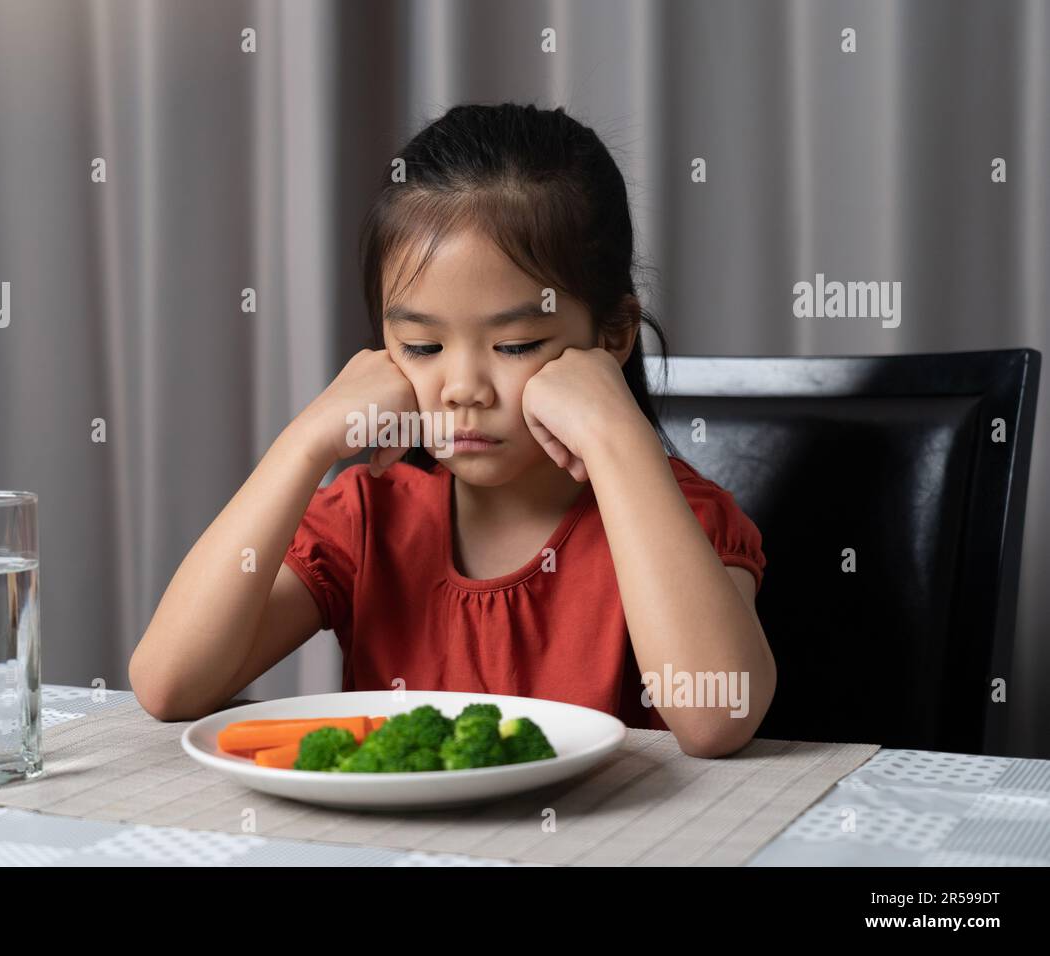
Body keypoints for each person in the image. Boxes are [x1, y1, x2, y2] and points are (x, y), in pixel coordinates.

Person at [130, 103, 774, 758]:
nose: (463, 388)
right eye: (422, 347)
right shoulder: (368, 520)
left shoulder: (677, 519)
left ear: (611, 336)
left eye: (516, 345)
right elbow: (168, 683)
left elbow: (716, 718)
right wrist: (307, 440)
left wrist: (616, 434)